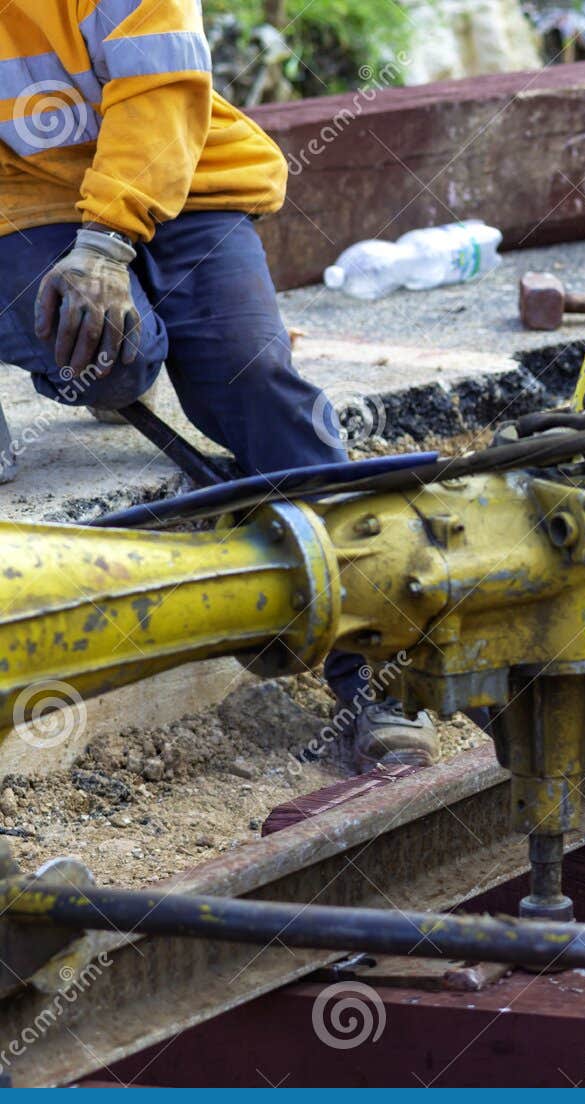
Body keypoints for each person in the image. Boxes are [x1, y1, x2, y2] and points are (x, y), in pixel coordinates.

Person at [0, 0, 437, 767]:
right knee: (114, 361)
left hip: (181, 177)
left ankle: (375, 669)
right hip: (21, 204)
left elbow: (161, 86)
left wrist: (106, 241)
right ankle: (107, 372)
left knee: (253, 382)